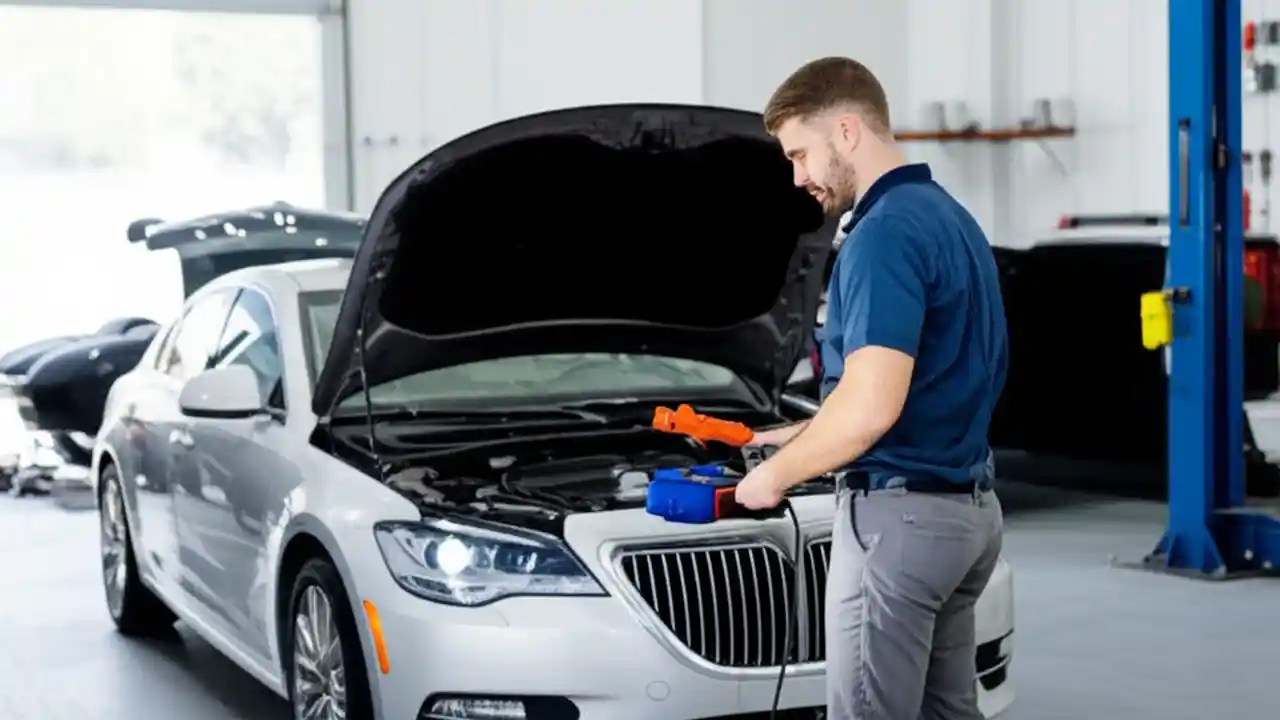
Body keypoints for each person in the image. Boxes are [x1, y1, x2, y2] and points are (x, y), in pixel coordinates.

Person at [734, 56, 1009, 720]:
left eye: (801, 153)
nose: (798, 177)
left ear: (849, 130)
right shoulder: (951, 219)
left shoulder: (882, 236)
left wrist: (771, 479)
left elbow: (870, 409)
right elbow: (920, 381)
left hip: (901, 525)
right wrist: (798, 434)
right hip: (969, 515)